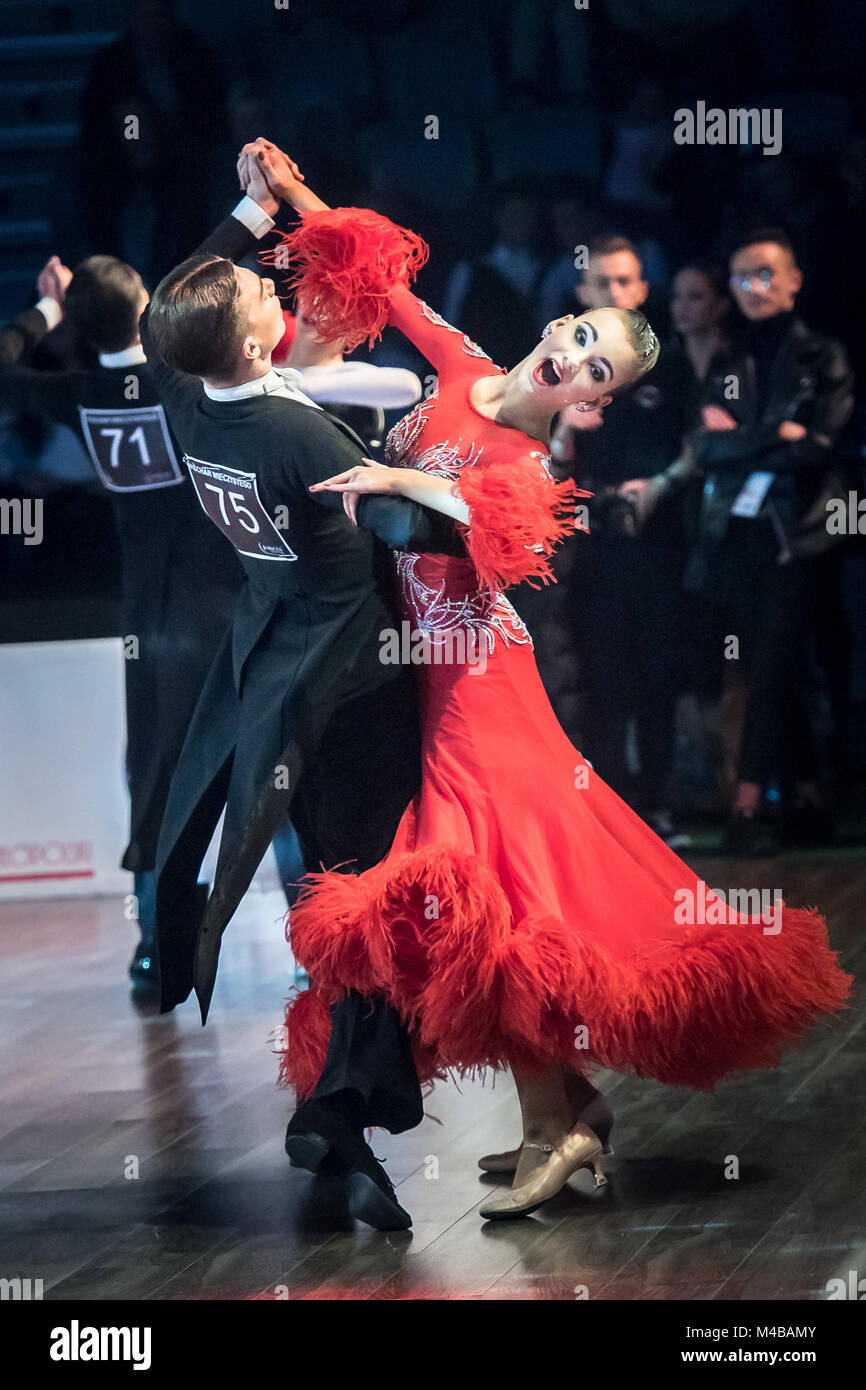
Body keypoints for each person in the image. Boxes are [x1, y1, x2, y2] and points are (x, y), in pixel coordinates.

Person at [243, 139, 852, 1222]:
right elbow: (389, 283)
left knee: (494, 918)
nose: (568, 359)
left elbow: (476, 524)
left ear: (595, 402)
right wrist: (292, 195)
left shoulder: (528, 462)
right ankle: (572, 1112)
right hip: (430, 685)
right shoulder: (469, 365)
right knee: (492, 915)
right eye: (575, 337)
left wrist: (390, 472)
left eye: (593, 369)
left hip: (480, 698)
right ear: (553, 326)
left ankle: (557, 1128)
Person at [143, 144, 465, 1232]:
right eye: (253, 284)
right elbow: (403, 523)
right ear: (249, 337)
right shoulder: (292, 428)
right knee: (364, 897)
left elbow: (171, 300)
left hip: (274, 664)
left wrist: (250, 206)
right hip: (352, 680)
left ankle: (333, 1096)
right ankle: (339, 1102)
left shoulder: (191, 399)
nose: (265, 276)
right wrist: (470, 486)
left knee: (337, 887)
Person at [0, 253, 240, 1001]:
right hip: (230, 603)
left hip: (150, 618)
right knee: (275, 757)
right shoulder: (181, 381)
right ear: (147, 305)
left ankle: (153, 948)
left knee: (156, 777)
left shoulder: (85, 391)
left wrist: (45, 313)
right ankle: (314, 940)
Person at [688, 228, 855, 856]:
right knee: (769, 665)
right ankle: (808, 798)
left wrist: (746, 438)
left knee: (775, 665)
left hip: (802, 535)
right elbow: (704, 446)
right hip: (740, 534)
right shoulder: (729, 360)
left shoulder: (823, 355)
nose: (753, 288)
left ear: (793, 279)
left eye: (764, 274)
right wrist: (773, 433)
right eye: (741, 277)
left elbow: (821, 446)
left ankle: (750, 804)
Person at [559, 236, 698, 844]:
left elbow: (703, 440)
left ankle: (660, 804)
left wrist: (661, 486)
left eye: (625, 282)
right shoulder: (561, 367)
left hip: (660, 538)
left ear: (642, 290)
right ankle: (610, 810)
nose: (614, 292)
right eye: (602, 283)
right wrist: (564, 421)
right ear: (581, 294)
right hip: (590, 542)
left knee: (658, 673)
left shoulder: (672, 362)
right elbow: (536, 459)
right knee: (601, 677)